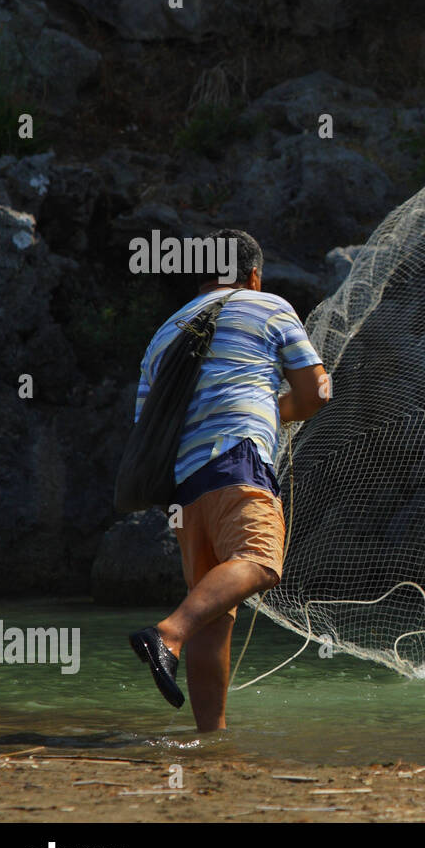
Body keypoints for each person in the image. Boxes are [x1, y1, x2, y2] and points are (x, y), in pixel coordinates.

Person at [127, 229, 329, 731]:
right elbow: (315, 394)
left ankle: (210, 740)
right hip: (237, 459)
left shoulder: (163, 333)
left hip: (183, 485)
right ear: (253, 275)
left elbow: (145, 426)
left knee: (213, 616)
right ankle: (166, 634)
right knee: (260, 561)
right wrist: (268, 410)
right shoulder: (269, 306)